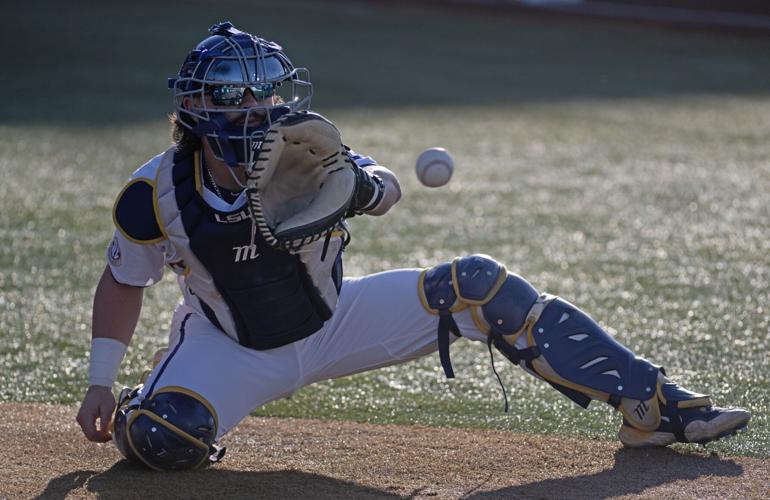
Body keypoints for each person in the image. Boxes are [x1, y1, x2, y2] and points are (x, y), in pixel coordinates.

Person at [76, 22, 750, 471]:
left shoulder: (302, 145)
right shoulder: (154, 192)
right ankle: (149, 395)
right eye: (233, 91)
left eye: (264, 89)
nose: (255, 105)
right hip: (229, 345)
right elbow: (124, 280)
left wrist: (364, 189)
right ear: (197, 107)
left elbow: (382, 181)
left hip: (335, 319)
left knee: (480, 284)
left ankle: (652, 405)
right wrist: (101, 382)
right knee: (163, 438)